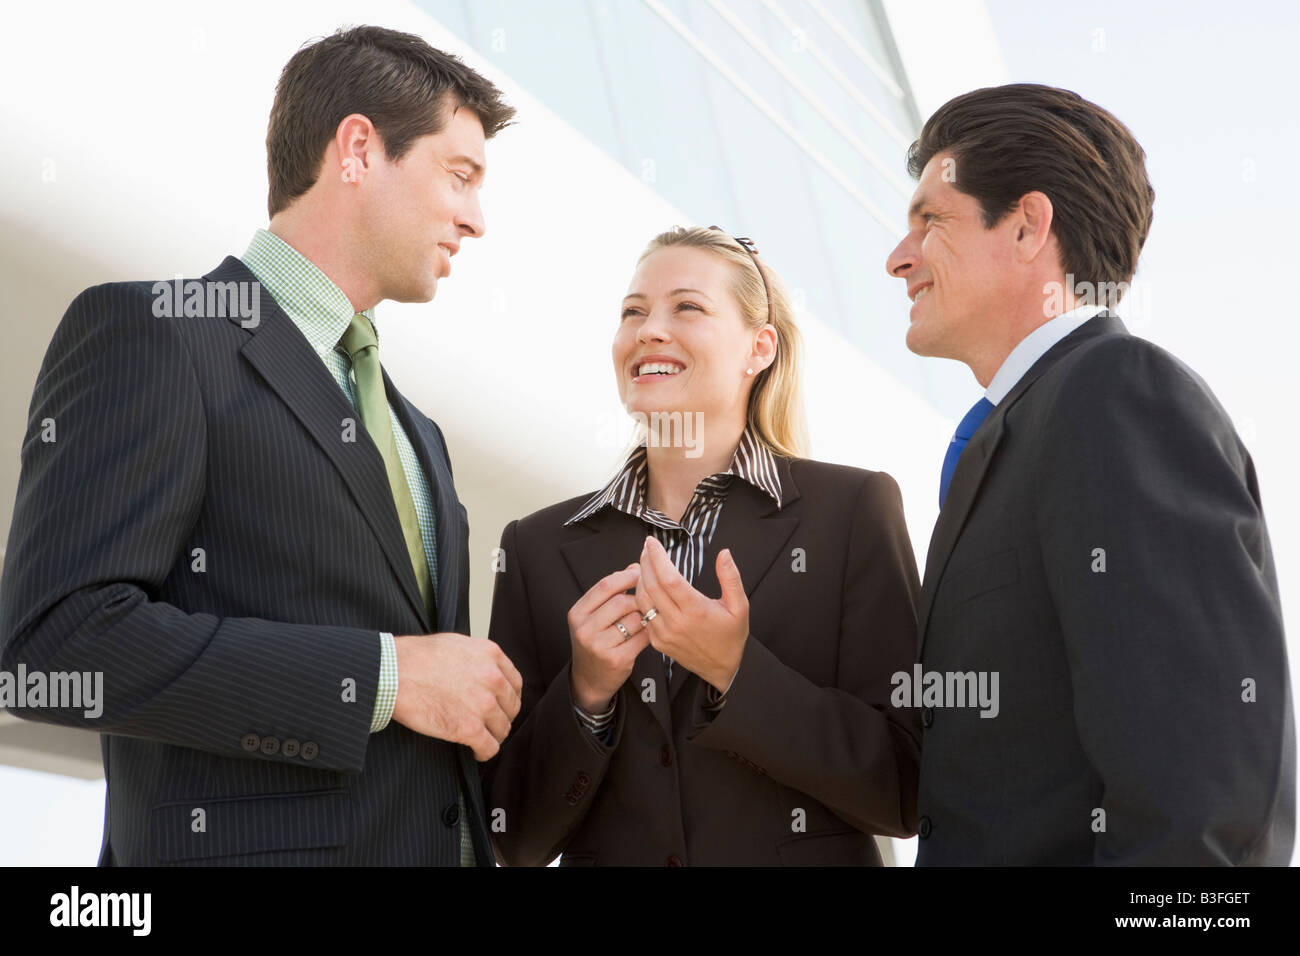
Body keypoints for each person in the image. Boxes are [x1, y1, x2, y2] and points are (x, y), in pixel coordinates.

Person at [0, 25, 523, 865]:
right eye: (459, 175)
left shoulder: (418, 432)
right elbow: (55, 643)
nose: (475, 218)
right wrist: (384, 677)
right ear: (357, 149)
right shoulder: (155, 335)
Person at [886, 83, 1294, 865]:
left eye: (930, 220)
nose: (898, 257)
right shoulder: (1014, 435)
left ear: (1028, 225)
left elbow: (1202, 800)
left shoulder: (1116, 394)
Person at [483, 226, 921, 866]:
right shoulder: (536, 547)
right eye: (633, 312)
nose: (649, 330)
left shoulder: (852, 513)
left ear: (759, 348)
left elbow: (906, 789)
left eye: (686, 307)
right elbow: (510, 835)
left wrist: (736, 671)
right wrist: (585, 695)